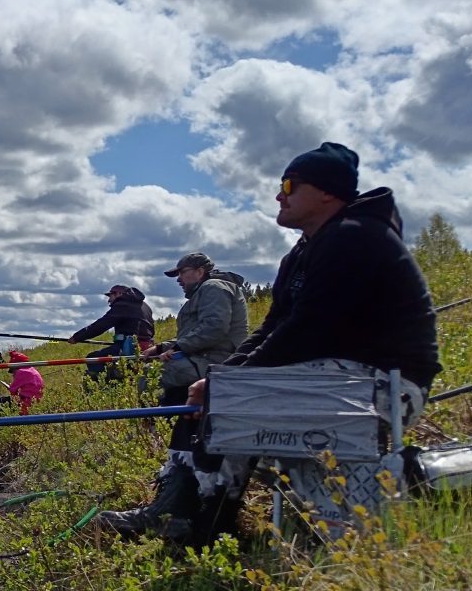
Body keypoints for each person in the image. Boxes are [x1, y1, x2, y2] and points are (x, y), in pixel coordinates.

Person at [100, 142, 442, 544]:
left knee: (227, 399)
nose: (279, 194)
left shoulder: (357, 238)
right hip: (335, 380)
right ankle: (188, 516)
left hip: (385, 384)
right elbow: (272, 329)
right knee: (215, 399)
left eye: (289, 184)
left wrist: (225, 385)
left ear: (327, 191)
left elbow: (309, 332)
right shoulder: (303, 251)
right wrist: (221, 376)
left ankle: (198, 522)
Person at [142, 252, 248, 404]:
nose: (179, 279)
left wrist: (179, 347)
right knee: (159, 372)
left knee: (151, 374)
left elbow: (214, 328)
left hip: (218, 359)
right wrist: (161, 347)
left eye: (182, 272)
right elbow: (194, 333)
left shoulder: (213, 288)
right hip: (204, 357)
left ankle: (153, 423)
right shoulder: (205, 291)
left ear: (200, 271)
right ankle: (172, 420)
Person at [70, 285, 154, 381]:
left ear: (119, 293)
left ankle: (106, 384)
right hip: (149, 348)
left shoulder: (123, 305)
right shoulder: (146, 307)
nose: (109, 300)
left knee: (92, 358)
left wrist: (77, 337)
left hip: (129, 348)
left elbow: (100, 325)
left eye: (111, 295)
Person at [7, 351, 44, 415]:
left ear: (15, 367)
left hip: (26, 403)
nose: (13, 374)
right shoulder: (33, 369)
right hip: (37, 401)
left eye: (12, 371)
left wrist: (10, 387)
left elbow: (13, 391)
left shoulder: (20, 372)